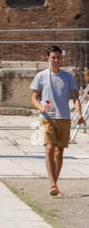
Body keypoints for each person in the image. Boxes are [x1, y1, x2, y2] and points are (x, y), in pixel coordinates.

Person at [30, 46, 84, 196]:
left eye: (58, 58)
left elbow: (75, 97)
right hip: (47, 118)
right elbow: (34, 97)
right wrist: (41, 107)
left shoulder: (68, 77)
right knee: (49, 148)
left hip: (64, 118)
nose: (56, 60)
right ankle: (52, 183)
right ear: (48, 59)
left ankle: (55, 183)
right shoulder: (41, 76)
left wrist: (79, 114)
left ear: (61, 59)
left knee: (59, 152)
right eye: (53, 58)